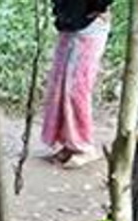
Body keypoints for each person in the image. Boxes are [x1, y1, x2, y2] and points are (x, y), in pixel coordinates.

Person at [41, 0, 112, 169]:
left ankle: (84, 147)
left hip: (91, 26)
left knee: (76, 89)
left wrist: (99, 6)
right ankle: (69, 143)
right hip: (69, 24)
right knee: (59, 86)